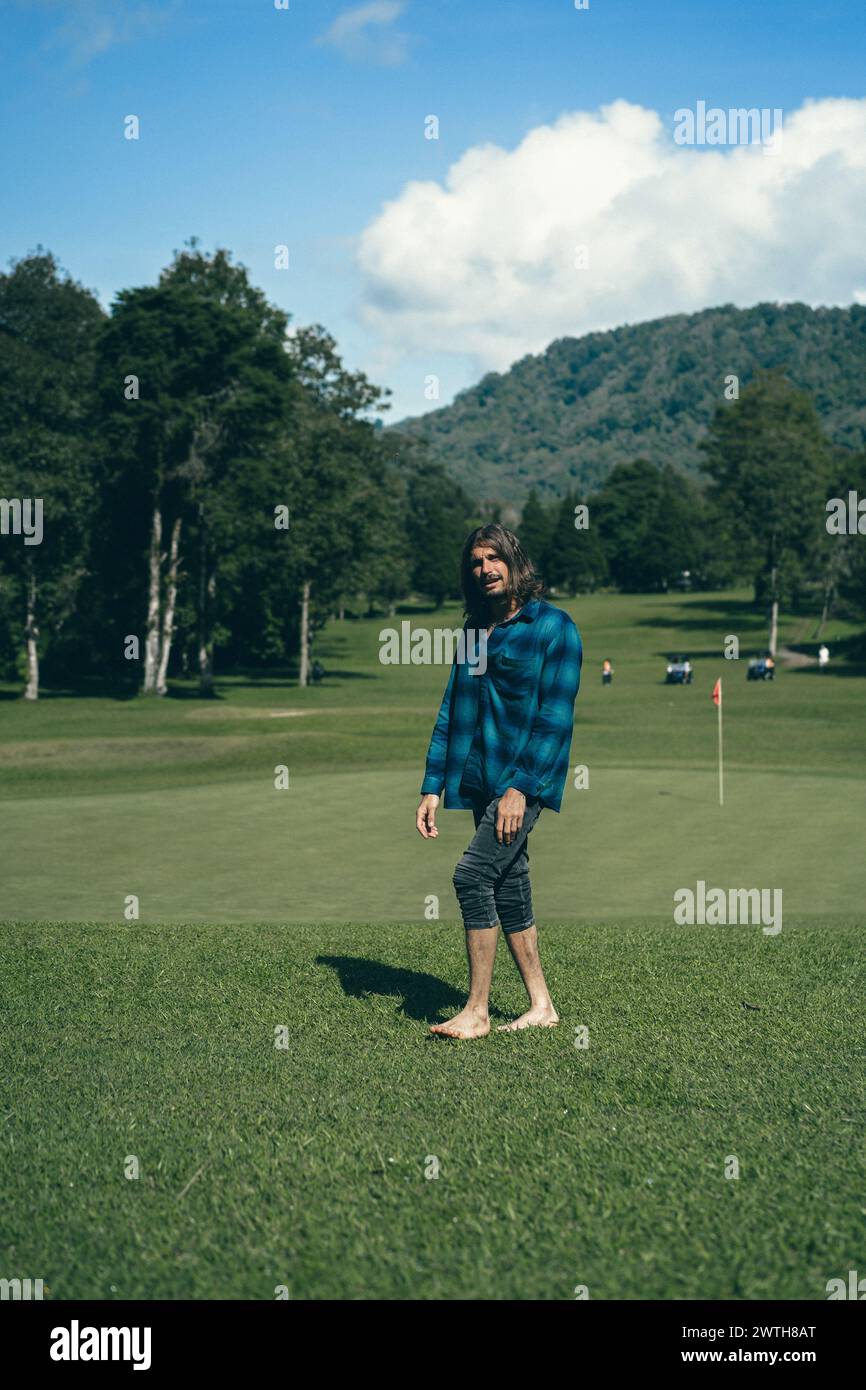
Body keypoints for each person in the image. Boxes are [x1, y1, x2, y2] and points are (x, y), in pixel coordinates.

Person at [416, 523, 583, 1040]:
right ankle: (542, 1006)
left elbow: (556, 715)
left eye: (493, 559)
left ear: (514, 562)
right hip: (480, 776)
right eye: (475, 562)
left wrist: (521, 788)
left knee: (471, 877)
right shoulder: (474, 633)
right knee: (509, 882)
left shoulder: (554, 627)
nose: (484, 569)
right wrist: (432, 784)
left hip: (522, 781)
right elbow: (452, 711)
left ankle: (477, 1011)